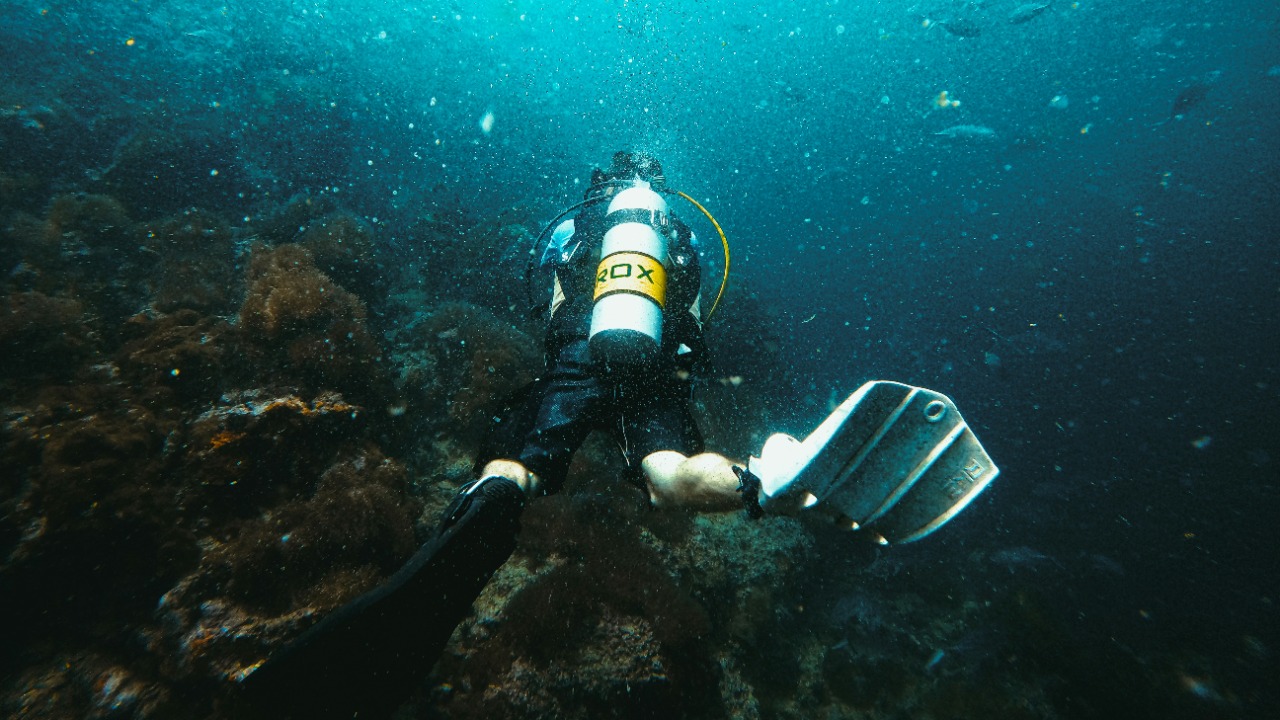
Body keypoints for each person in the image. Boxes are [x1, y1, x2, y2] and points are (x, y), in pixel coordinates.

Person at [241, 151, 999, 718]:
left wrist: (571, 330)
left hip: (575, 360)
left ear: (600, 187)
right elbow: (701, 316)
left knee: (516, 468)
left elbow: (539, 289)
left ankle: (486, 508)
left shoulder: (579, 227)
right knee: (670, 476)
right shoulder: (679, 239)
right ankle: (770, 479)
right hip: (655, 375)